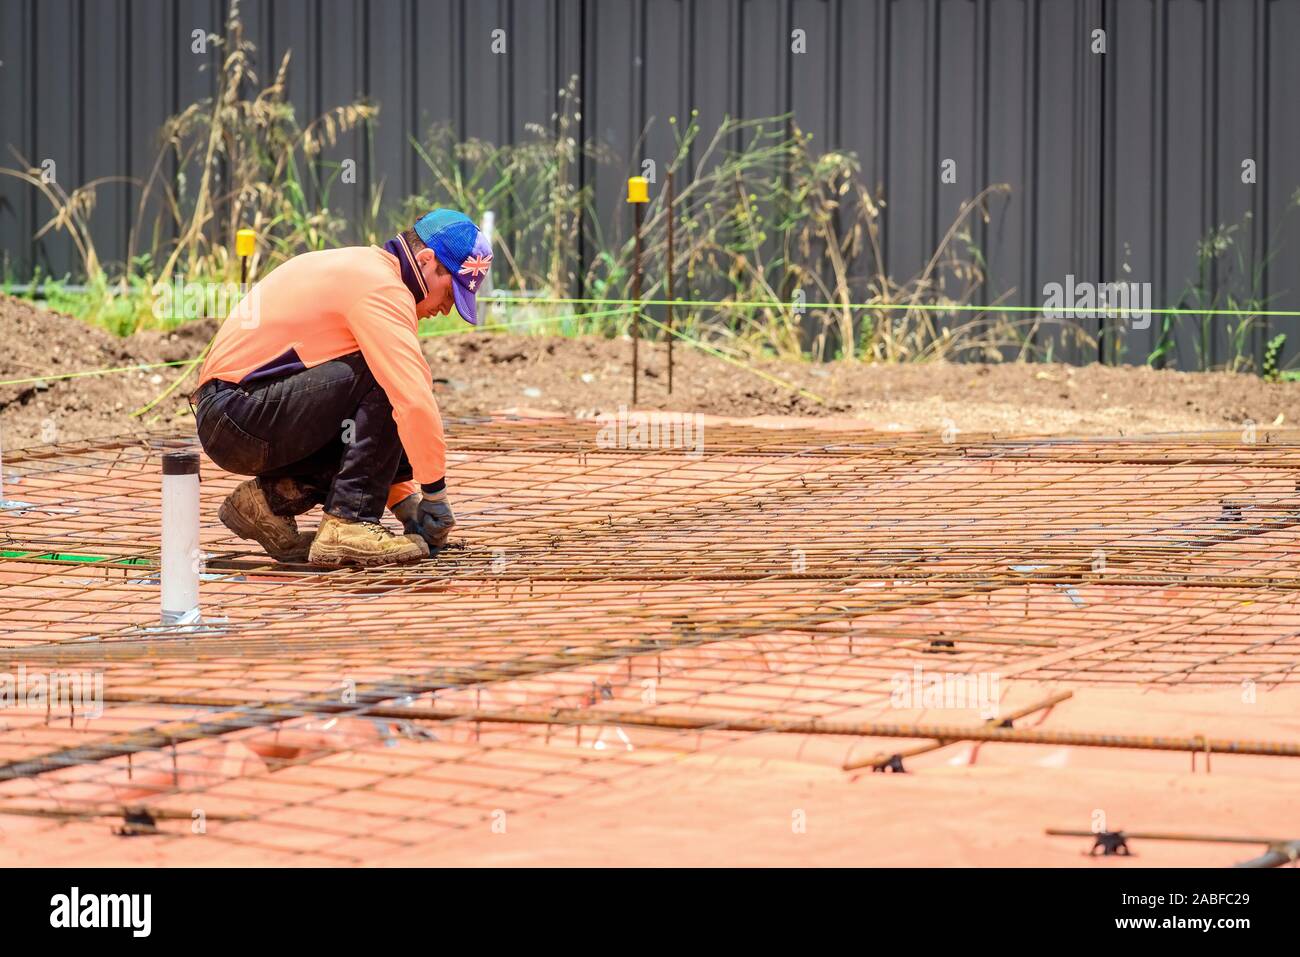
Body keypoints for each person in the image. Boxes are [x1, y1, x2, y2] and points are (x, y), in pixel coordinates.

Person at [192, 209, 492, 566]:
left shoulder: (367, 270)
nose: (447, 309)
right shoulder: (380, 285)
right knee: (392, 380)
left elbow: (370, 431)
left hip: (236, 416)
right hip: (237, 414)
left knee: (410, 444)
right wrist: (435, 494)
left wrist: (405, 500)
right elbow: (411, 400)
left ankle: (266, 503)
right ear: (427, 261)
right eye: (449, 291)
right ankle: (350, 524)